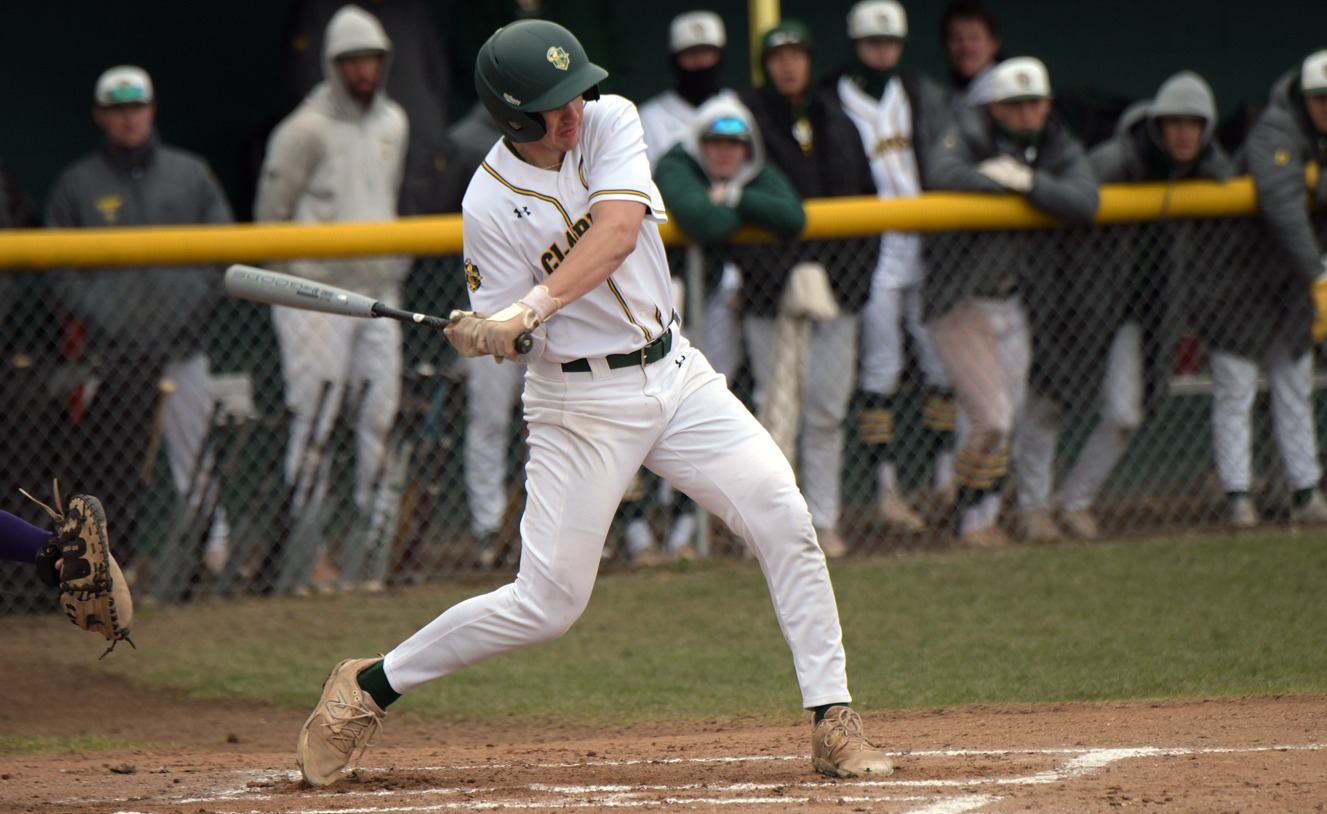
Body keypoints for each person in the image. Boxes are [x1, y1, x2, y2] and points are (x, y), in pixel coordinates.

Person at [294, 19, 893, 788]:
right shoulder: (486, 202)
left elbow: (616, 232)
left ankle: (832, 718)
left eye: (575, 89)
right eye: (552, 102)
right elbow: (522, 342)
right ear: (511, 115)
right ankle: (368, 685)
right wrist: (494, 334)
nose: (572, 109)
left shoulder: (612, 119)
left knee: (784, 518)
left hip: (674, 373)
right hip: (580, 404)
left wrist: (527, 309)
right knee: (547, 605)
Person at [1014, 71, 1236, 542]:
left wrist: (1210, 159)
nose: (1183, 134)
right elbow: (1064, 218)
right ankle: (1032, 508)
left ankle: (1073, 501)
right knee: (1048, 403)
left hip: (1137, 312)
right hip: (1080, 301)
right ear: (1157, 124)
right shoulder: (1116, 158)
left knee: (1125, 414)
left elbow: (1228, 174)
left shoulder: (1197, 166)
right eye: (1174, 123)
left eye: (1194, 125)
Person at [46, 65, 234, 580]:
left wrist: (180, 317)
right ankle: (103, 567)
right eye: (118, 110)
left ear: (151, 109)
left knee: (195, 459)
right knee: (111, 466)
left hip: (183, 347)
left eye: (137, 107)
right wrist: (114, 323)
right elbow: (59, 272)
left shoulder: (190, 172)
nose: (129, 119)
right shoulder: (77, 183)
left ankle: (213, 556)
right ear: (100, 116)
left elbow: (224, 254)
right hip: (113, 356)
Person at [255, 5, 409, 592]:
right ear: (332, 64)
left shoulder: (395, 119)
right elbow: (270, 218)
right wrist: (294, 287)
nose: (363, 70)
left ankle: (370, 556)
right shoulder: (305, 128)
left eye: (371, 58)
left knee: (379, 419)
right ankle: (308, 557)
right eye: (351, 60)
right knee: (314, 423)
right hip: (316, 297)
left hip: (378, 293)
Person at [922, 56, 1100, 548]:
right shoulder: (969, 128)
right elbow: (942, 172)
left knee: (1006, 418)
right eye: (1015, 106)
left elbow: (1086, 200)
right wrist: (999, 181)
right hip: (959, 301)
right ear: (995, 107)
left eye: (1034, 104)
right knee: (993, 417)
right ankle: (967, 510)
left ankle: (974, 512)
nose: (1026, 115)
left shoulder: (1054, 142)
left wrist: (1028, 183)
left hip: (1013, 300)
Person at [740, 20, 880, 558]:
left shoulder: (838, 120)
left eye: (797, 54)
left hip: (836, 291)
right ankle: (773, 530)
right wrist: (771, 278)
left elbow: (869, 205)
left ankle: (824, 519)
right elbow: (734, 203)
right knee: (774, 413)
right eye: (778, 57)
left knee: (826, 411)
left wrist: (849, 284)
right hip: (770, 293)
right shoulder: (746, 119)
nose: (788, 65)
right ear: (766, 64)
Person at [651, 97, 807, 562]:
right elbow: (705, 221)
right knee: (664, 415)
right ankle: (659, 527)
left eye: (735, 144)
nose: (725, 153)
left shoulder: (748, 174)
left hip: (724, 304)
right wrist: (730, 208)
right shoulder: (677, 163)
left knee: (722, 408)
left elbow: (793, 217)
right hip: (664, 309)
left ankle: (703, 525)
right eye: (715, 143)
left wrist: (736, 196)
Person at [825, 0, 957, 533]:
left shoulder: (920, 92)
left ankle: (944, 477)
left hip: (924, 242)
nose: (882, 52)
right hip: (872, 247)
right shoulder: (832, 98)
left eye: (890, 43)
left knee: (938, 363)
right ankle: (886, 488)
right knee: (881, 367)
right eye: (872, 43)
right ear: (856, 46)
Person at [1189, 49, 1327, 528]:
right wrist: (1319, 276)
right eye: (1321, 100)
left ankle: (1306, 492)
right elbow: (1283, 207)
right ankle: (1237, 495)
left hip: (1288, 287)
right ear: (1304, 98)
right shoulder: (1275, 128)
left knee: (1295, 386)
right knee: (1236, 390)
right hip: (1239, 280)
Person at [939, 0, 1001, 113]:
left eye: (974, 38)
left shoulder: (1001, 90)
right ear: (946, 48)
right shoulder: (955, 96)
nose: (966, 48)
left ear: (993, 44)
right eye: (957, 39)